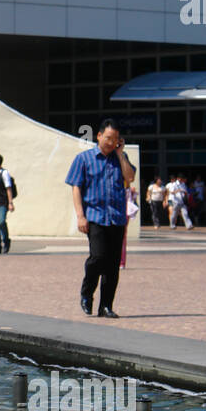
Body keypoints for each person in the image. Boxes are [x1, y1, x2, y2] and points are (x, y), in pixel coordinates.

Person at [65, 118, 136, 318]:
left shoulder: (120, 157)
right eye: (108, 138)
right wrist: (80, 216)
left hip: (117, 218)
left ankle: (106, 306)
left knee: (113, 265)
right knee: (98, 257)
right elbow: (76, 187)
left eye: (115, 139)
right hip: (95, 217)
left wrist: (121, 155)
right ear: (98, 136)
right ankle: (87, 293)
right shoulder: (84, 159)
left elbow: (130, 177)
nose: (111, 142)